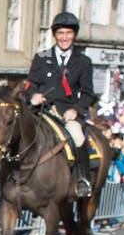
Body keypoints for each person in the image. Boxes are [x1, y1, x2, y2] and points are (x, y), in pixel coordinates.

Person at [25, 11, 97, 197]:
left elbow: (88, 93)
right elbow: (30, 84)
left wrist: (76, 110)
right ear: (55, 35)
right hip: (42, 109)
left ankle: (83, 179)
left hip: (66, 113)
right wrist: (33, 96)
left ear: (74, 35)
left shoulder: (83, 62)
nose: (64, 37)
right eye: (60, 33)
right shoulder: (41, 57)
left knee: (77, 134)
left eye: (68, 33)